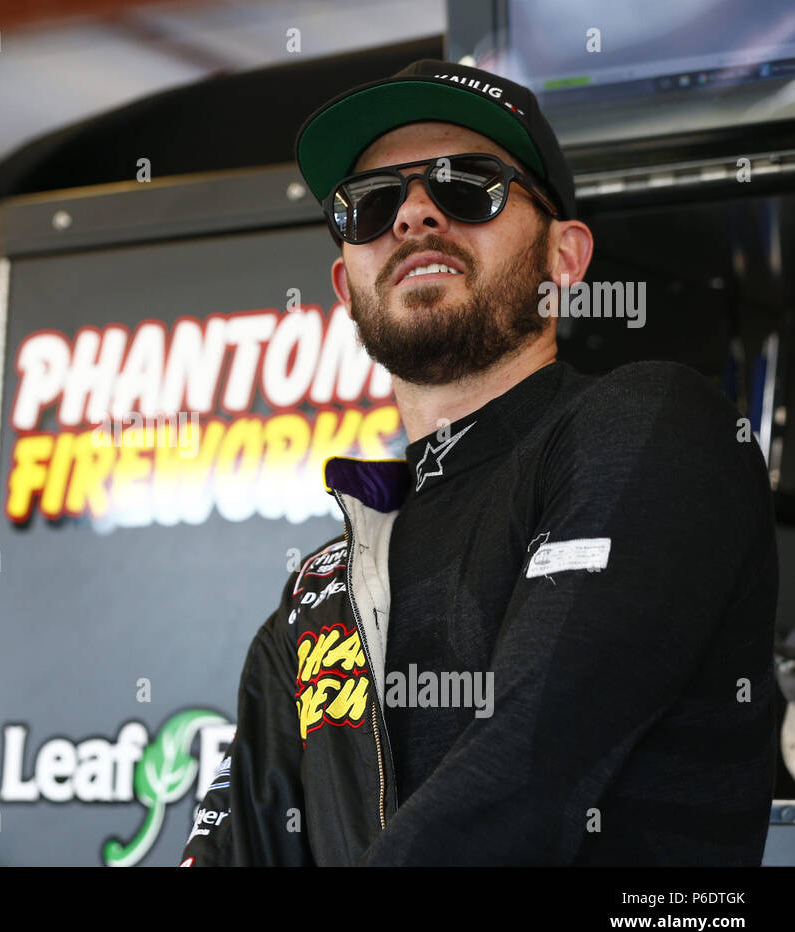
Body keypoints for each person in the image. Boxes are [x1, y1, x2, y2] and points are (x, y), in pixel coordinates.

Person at [179, 59, 779, 866]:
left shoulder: (647, 424)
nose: (416, 215)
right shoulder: (318, 593)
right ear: (346, 288)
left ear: (564, 258)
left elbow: (526, 767)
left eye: (468, 185)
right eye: (371, 204)